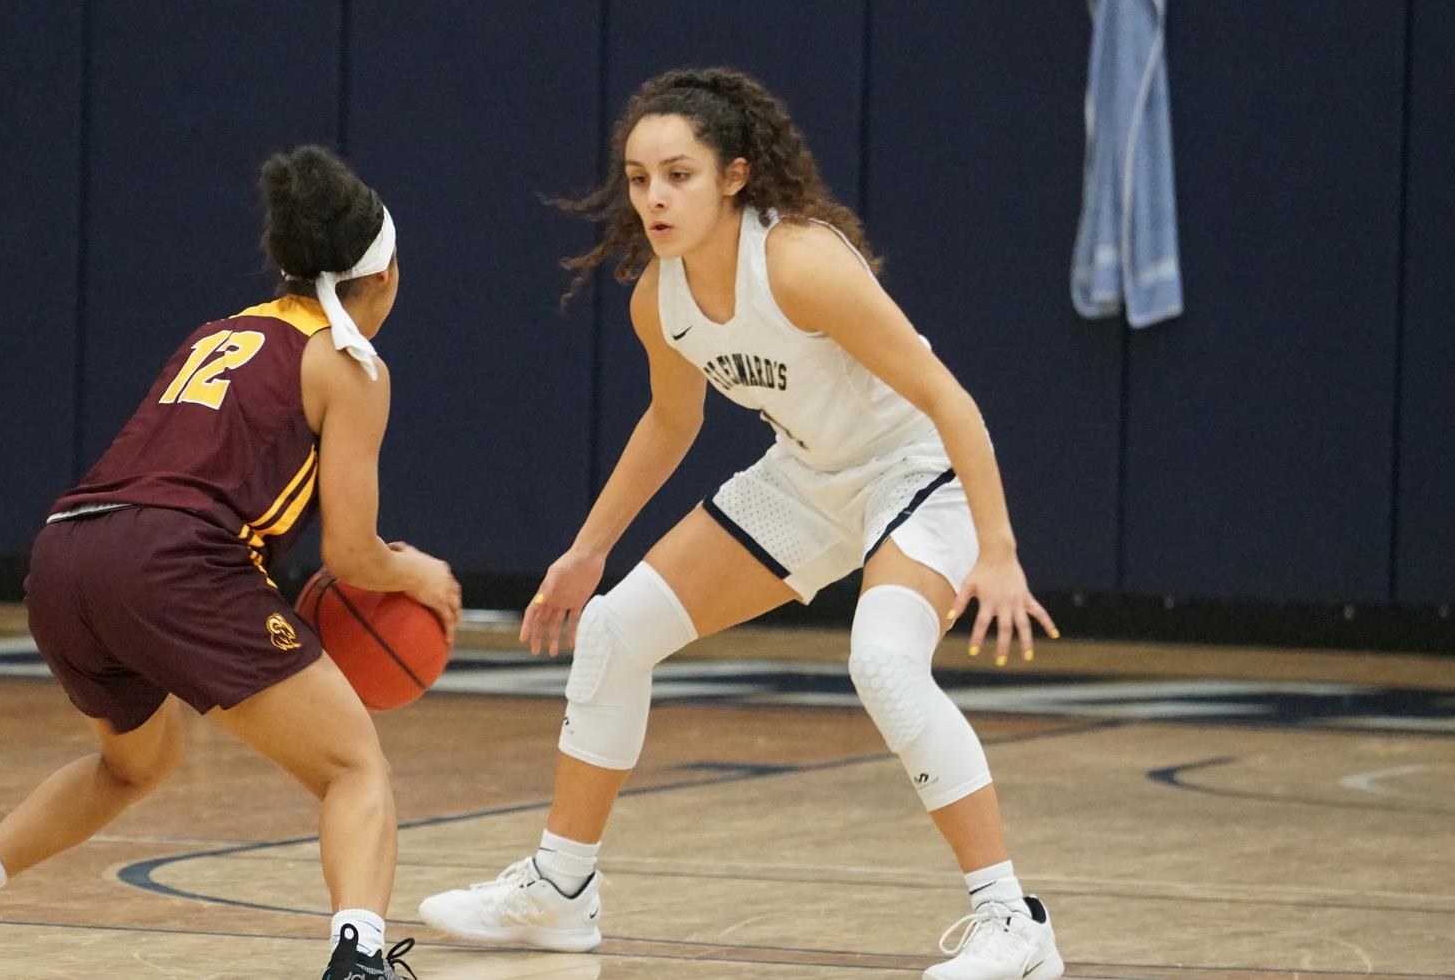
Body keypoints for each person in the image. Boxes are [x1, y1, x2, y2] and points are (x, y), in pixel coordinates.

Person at [417, 67, 1066, 980]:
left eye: (677, 174)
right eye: (639, 178)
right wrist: (588, 549)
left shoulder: (799, 261)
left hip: (919, 473)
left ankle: (1014, 922)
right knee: (612, 629)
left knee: (881, 661)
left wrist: (998, 552)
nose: (654, 196)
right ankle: (561, 891)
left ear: (734, 175)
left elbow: (951, 401)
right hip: (808, 476)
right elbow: (671, 422)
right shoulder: (659, 297)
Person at [0, 146, 456, 980]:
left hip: (67, 553)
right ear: (388, 273)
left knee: (134, 764)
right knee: (355, 767)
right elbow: (350, 553)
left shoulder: (221, 330)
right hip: (174, 560)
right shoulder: (351, 363)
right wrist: (419, 575)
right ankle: (359, 962)